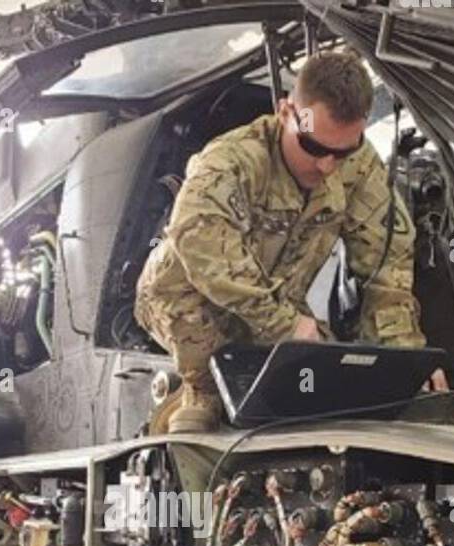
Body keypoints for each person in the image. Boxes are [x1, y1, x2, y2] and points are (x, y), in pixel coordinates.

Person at [135, 49, 429, 433]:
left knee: (329, 381)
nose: (327, 166)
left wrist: (402, 363)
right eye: (314, 147)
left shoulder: (359, 165)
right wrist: (286, 326)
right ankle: (197, 390)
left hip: (278, 299)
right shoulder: (231, 161)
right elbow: (204, 249)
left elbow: (386, 266)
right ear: (286, 112)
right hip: (186, 298)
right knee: (213, 405)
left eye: (343, 152)